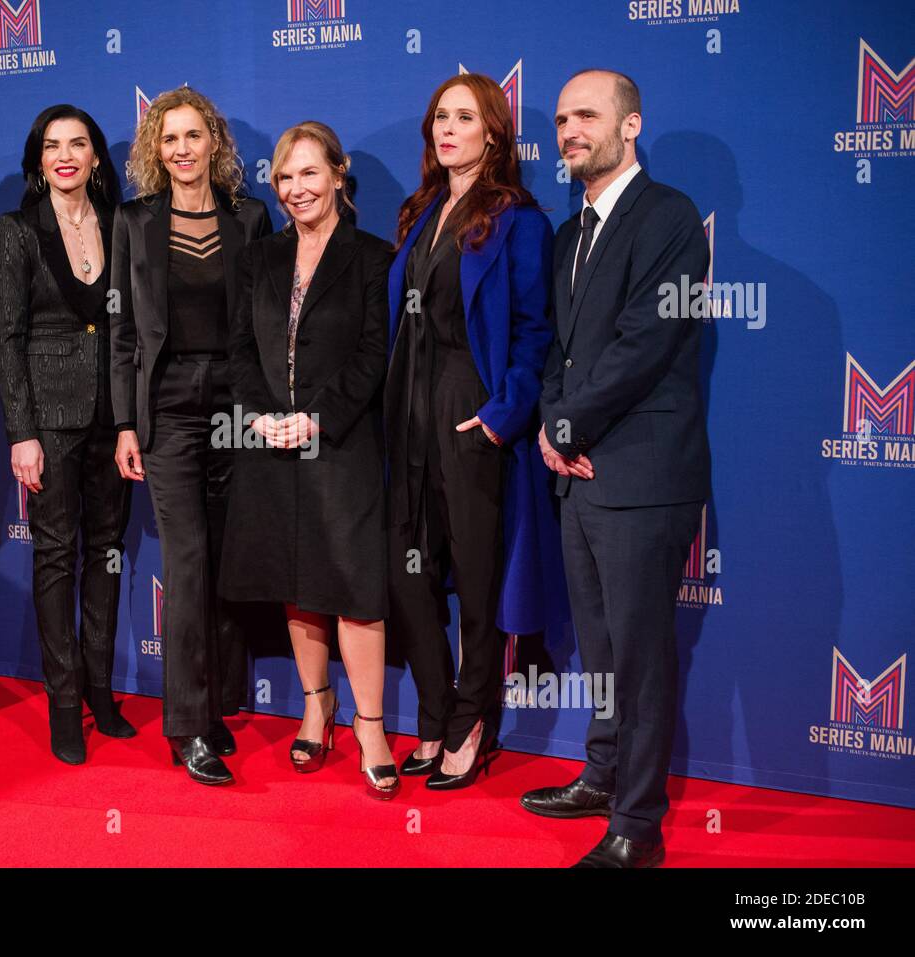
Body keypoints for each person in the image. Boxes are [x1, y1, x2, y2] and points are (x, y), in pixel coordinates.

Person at [522, 70, 710, 868]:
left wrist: (566, 422)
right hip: (579, 475)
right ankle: (600, 775)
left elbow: (646, 344)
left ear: (630, 126)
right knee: (601, 654)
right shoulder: (570, 234)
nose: (570, 130)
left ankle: (638, 822)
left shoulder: (667, 216)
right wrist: (553, 425)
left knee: (638, 656)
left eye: (586, 116)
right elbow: (561, 353)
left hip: (641, 476)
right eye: (562, 119)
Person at [386, 74, 561, 790]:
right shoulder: (424, 208)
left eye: (463, 117)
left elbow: (533, 331)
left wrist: (501, 415)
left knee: (480, 580)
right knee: (410, 569)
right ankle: (433, 716)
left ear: (493, 130)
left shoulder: (518, 219)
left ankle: (470, 722)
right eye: (439, 118)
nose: (446, 129)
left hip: (471, 410)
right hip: (408, 412)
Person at [221, 121, 399, 799]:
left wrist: (318, 416)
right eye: (285, 178)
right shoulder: (257, 258)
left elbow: (373, 357)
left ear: (339, 173)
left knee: (353, 582)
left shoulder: (374, 258)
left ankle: (372, 726)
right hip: (270, 442)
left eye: (309, 173)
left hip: (342, 442)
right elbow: (238, 349)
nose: (296, 189)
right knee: (297, 577)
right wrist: (263, 414)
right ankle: (316, 703)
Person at [110, 87, 272, 786]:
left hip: (237, 404)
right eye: (168, 138)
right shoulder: (134, 220)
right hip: (168, 407)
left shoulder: (251, 218)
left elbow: (268, 324)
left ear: (215, 143)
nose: (181, 149)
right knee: (186, 560)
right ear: (155, 148)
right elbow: (122, 333)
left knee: (228, 559)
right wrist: (124, 421)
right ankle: (187, 727)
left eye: (193, 136)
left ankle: (217, 709)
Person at [0, 104, 135, 765]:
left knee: (106, 550)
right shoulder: (19, 230)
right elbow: (8, 335)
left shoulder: (121, 223)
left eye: (78, 143)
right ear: (39, 159)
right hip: (49, 420)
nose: (66, 155)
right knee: (56, 556)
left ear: (96, 156)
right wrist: (21, 431)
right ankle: (62, 702)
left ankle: (100, 688)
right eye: (53, 145)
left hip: (116, 416)